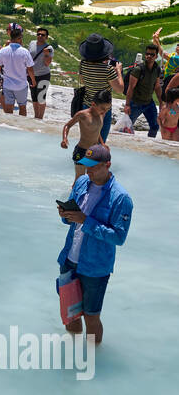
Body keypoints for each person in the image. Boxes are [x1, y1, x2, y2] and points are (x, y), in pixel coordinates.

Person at [56, 143, 133, 346]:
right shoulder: (81, 182)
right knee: (70, 315)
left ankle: (93, 359)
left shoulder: (121, 198)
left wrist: (85, 221)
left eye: (93, 166)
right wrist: (66, 215)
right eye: (86, 166)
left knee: (91, 317)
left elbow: (118, 237)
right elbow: (71, 220)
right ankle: (72, 357)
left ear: (107, 165)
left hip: (95, 268)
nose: (88, 171)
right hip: (69, 260)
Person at [77, 34, 123, 141]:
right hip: (103, 110)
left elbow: (83, 81)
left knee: (86, 140)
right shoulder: (108, 70)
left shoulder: (83, 64)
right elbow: (119, 89)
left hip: (87, 106)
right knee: (99, 144)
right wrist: (119, 72)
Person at [61, 89, 114, 176]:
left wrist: (102, 144)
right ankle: (74, 189)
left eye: (108, 109)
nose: (105, 111)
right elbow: (67, 126)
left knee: (92, 177)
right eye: (103, 108)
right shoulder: (83, 115)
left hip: (94, 152)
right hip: (82, 151)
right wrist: (64, 139)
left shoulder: (101, 114)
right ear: (93, 104)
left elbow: (97, 131)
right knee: (79, 178)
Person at [0, 23, 36, 116]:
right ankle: (20, 128)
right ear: (19, 38)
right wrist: (33, 80)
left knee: (8, 108)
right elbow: (30, 69)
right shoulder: (25, 52)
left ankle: (9, 127)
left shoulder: (3, 51)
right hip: (21, 85)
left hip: (8, 85)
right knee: (22, 107)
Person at [124, 43, 163, 137]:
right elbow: (131, 87)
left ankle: (150, 144)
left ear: (156, 56)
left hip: (149, 103)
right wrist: (127, 105)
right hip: (136, 103)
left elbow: (157, 87)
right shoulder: (138, 69)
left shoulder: (157, 69)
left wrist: (161, 103)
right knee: (126, 128)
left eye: (152, 54)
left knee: (155, 126)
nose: (149, 56)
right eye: (147, 54)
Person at [28, 26, 53, 119]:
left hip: (43, 75)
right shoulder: (32, 43)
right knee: (34, 98)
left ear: (46, 37)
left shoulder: (49, 48)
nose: (40, 36)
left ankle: (40, 117)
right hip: (31, 75)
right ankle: (36, 116)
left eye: (42, 35)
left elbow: (47, 63)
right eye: (38, 34)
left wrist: (46, 54)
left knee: (41, 98)